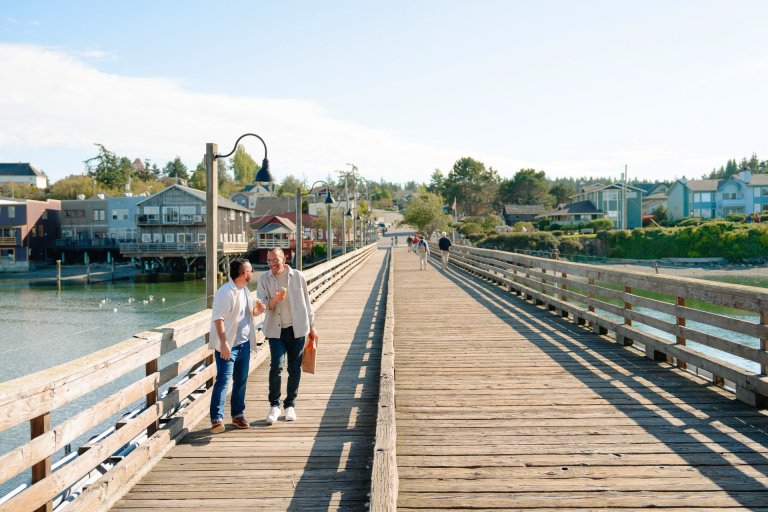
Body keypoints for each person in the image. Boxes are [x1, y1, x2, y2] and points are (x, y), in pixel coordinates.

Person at [257, 247, 317, 425]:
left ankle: (290, 404)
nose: (272, 264)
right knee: (276, 366)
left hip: (297, 328)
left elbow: (307, 302)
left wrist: (312, 327)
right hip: (275, 331)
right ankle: (274, 406)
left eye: (275, 260)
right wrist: (275, 299)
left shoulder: (297, 276)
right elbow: (262, 304)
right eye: (269, 261)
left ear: (284, 259)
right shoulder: (264, 279)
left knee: (294, 368)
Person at [209, 258, 265, 434]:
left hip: (244, 344)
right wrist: (224, 343)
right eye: (250, 270)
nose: (252, 272)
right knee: (223, 381)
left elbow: (248, 314)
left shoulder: (245, 290)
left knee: (241, 382)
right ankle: (217, 420)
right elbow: (218, 319)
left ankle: (237, 415)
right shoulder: (225, 292)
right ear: (242, 273)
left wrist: (258, 311)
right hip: (228, 346)